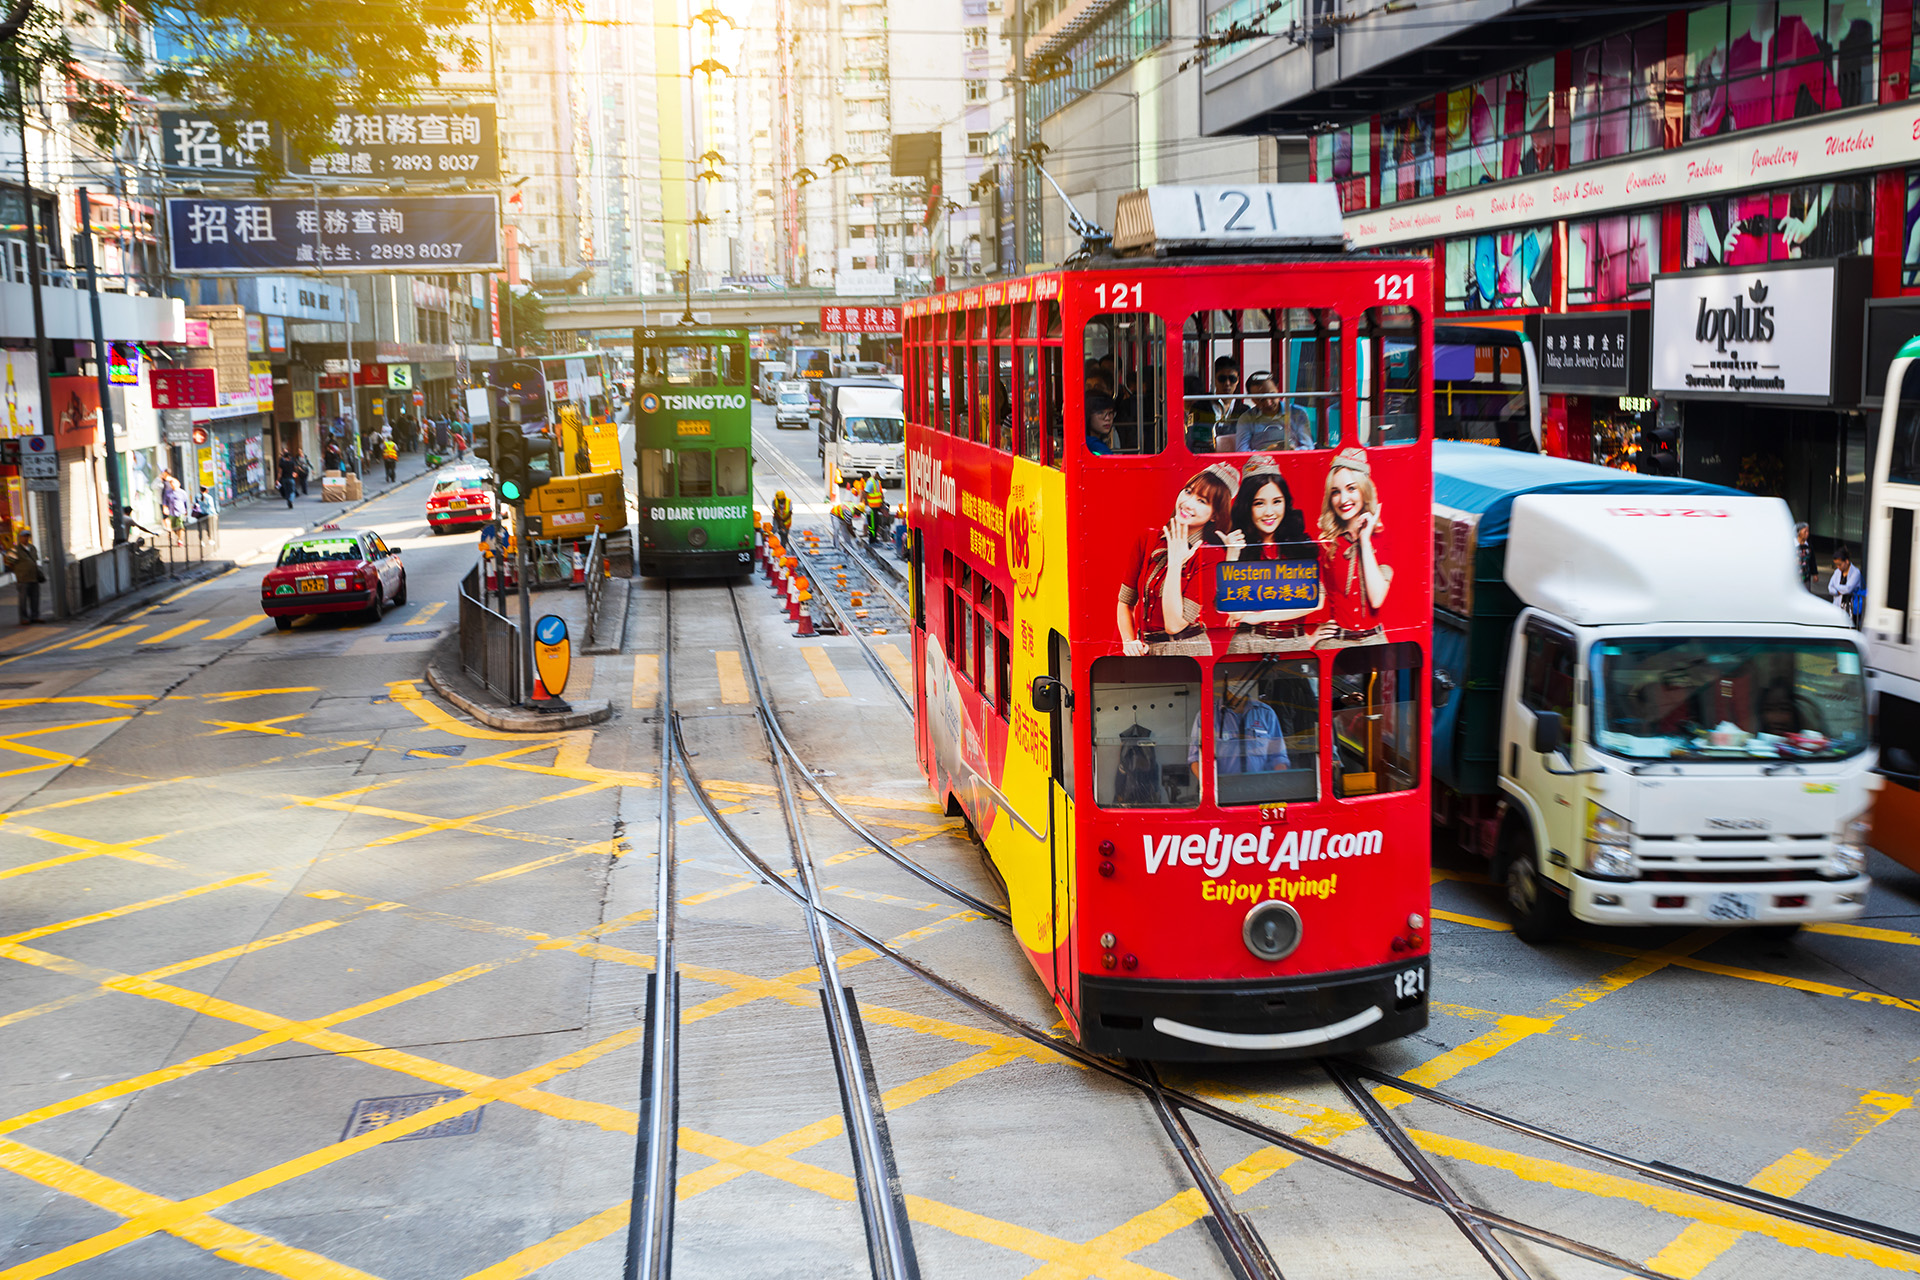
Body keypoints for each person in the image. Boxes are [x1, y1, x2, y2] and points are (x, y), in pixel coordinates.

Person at [1116, 463, 1236, 658]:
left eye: (1202, 501)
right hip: (1147, 650)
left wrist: (1175, 562)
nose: (1188, 503)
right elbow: (1125, 602)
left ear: (1215, 514)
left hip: (1188, 652)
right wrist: (1130, 642)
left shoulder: (1211, 556)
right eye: (1188, 492)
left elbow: (1174, 625)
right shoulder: (1147, 539)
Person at [1221, 455, 1323, 653]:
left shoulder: (1299, 544)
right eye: (1259, 503)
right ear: (1247, 507)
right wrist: (1232, 556)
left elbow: (1317, 600)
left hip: (1294, 645)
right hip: (1247, 646)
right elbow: (1236, 613)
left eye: (1277, 501)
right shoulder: (1237, 548)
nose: (1269, 512)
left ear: (1286, 503)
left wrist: (1259, 616)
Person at [1316, 447, 1393, 648]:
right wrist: (1311, 636)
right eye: (1335, 492)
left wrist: (1365, 540)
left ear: (1364, 490)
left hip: (1375, 642)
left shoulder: (1381, 539)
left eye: (1351, 488)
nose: (1343, 500)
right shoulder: (1326, 544)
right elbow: (1315, 600)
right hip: (1336, 644)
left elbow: (1376, 599)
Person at [1233, 374, 1313, 452]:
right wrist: (1267, 451)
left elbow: (1308, 447)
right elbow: (1242, 451)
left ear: (1278, 389)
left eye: (1272, 395)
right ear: (1252, 399)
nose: (1268, 403)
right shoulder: (1246, 418)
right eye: (1261, 399)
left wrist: (1294, 450)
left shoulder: (1297, 413)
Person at [7, 531, 42, 624]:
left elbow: (35, 560)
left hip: (34, 577)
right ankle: (24, 618)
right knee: (23, 599)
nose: (25, 538)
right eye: (23, 536)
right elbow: (10, 563)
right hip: (23, 579)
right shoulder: (15, 550)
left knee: (35, 598)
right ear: (20, 538)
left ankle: (35, 616)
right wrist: (19, 571)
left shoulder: (32, 548)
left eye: (27, 536)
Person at [1830, 546, 1863, 625]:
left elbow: (1848, 588)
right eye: (1836, 565)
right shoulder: (1837, 572)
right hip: (1838, 607)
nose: (1838, 567)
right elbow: (1830, 587)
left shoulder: (1855, 572)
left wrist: (1836, 587)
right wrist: (1838, 591)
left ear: (1847, 561)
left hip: (1851, 609)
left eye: (1839, 564)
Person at [160, 473, 189, 545]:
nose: (172, 484)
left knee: (180, 526)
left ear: (178, 484)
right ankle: (178, 535)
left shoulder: (182, 492)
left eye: (174, 483)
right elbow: (165, 502)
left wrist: (186, 510)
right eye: (171, 483)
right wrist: (165, 508)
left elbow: (185, 502)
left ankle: (180, 540)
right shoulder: (168, 493)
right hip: (172, 512)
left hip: (180, 512)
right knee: (174, 527)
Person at [861, 472, 887, 542]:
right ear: (877, 474)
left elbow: (880, 493)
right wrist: (867, 505)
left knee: (876, 523)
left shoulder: (878, 482)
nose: (880, 478)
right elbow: (864, 493)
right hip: (871, 507)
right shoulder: (870, 482)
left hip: (876, 507)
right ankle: (872, 539)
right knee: (872, 524)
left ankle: (874, 538)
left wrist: (883, 501)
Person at [1795, 522, 1815, 591]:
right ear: (1798, 532)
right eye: (1805, 531)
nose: (1807, 533)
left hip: (1806, 577)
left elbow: (1812, 560)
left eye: (1808, 531)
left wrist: (1815, 573)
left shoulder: (1808, 546)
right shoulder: (1792, 545)